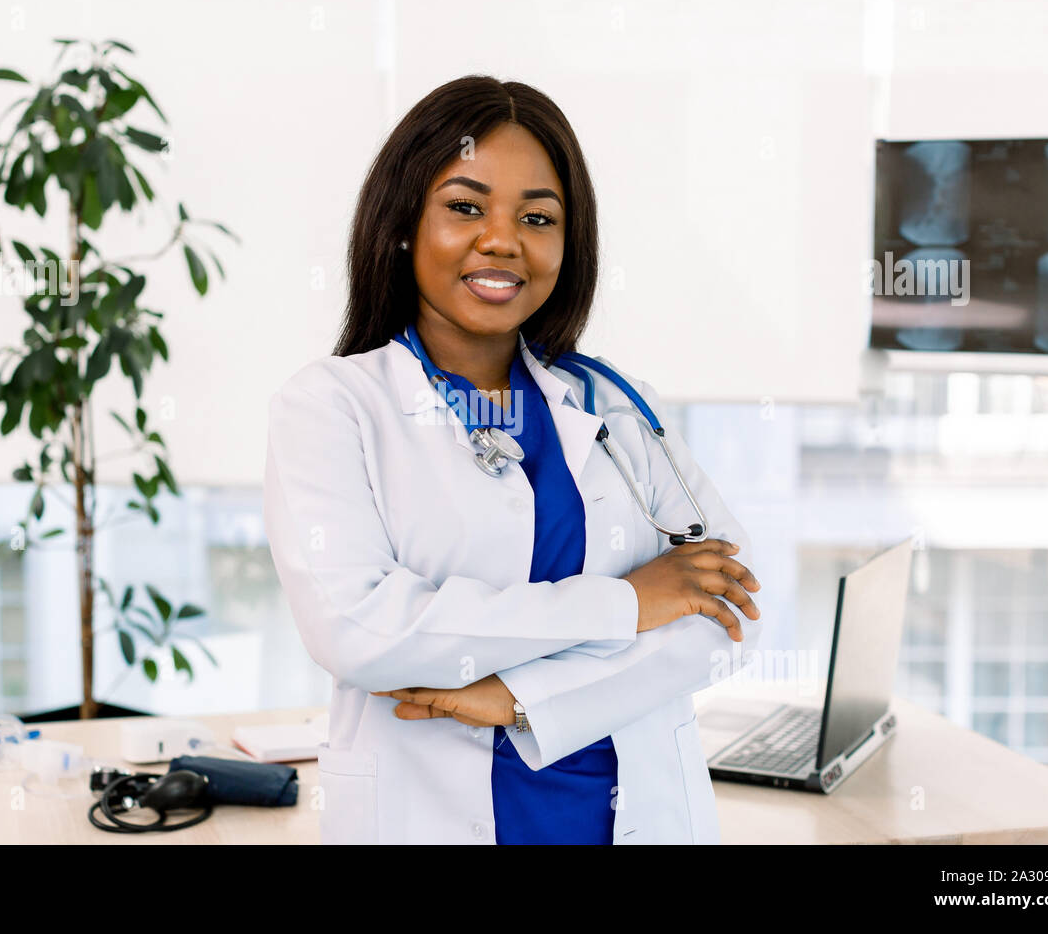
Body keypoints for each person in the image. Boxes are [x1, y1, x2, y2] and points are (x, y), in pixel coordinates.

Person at [263, 75, 764, 845]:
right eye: (465, 207)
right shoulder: (334, 405)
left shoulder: (615, 407)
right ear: (402, 224)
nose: (502, 240)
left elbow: (725, 611)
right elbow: (360, 629)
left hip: (639, 818)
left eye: (538, 217)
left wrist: (524, 699)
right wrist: (630, 604)